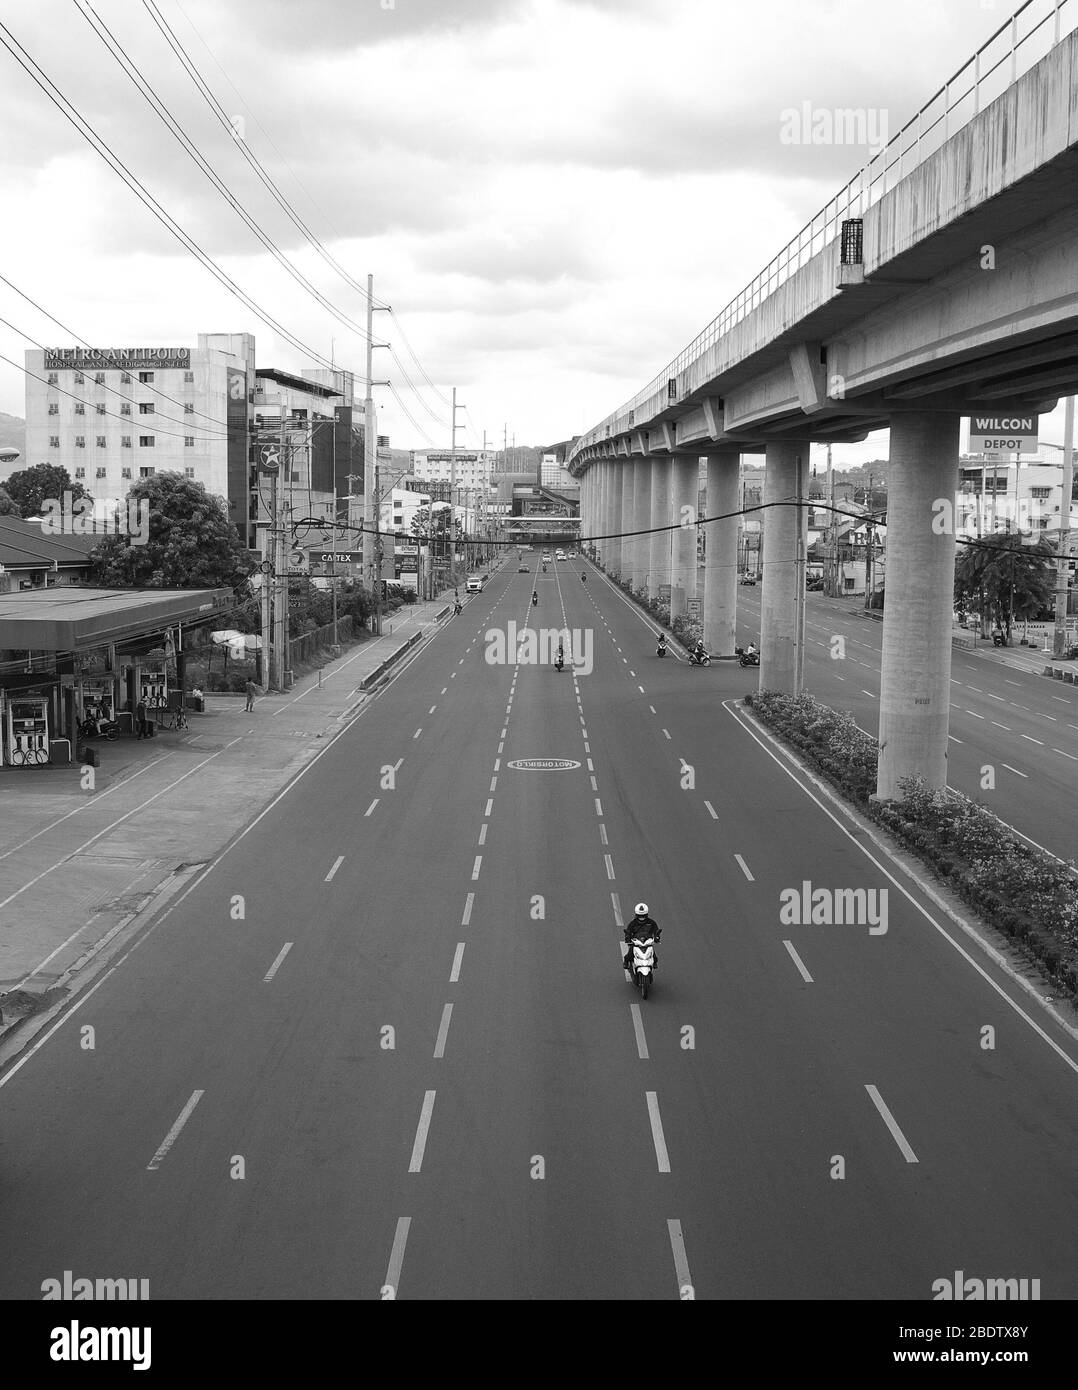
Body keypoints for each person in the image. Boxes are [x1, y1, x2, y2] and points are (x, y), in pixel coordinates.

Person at [624, 902, 660, 974]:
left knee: (653, 955)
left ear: (646, 915)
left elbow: (656, 930)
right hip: (636, 942)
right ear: (636, 915)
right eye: (640, 916)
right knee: (630, 954)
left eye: (643, 916)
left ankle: (655, 962)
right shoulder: (633, 923)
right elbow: (628, 931)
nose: (642, 918)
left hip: (647, 941)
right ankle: (626, 962)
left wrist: (657, 937)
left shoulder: (651, 922)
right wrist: (628, 937)